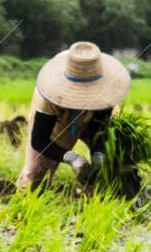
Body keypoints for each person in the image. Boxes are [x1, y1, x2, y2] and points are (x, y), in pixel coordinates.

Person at [15, 41, 132, 191]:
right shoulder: (49, 96)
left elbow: (98, 127)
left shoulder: (106, 94)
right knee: (35, 173)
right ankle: (23, 211)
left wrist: (99, 155)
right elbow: (39, 140)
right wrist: (71, 158)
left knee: (117, 159)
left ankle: (111, 200)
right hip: (60, 117)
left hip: (92, 115)